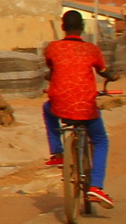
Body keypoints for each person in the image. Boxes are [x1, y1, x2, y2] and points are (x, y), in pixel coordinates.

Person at [44, 10, 114, 207]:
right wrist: (113, 77)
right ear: (82, 27)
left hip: (59, 104)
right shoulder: (91, 50)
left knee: (46, 109)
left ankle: (57, 152)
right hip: (86, 108)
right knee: (100, 141)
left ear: (62, 26)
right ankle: (96, 187)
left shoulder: (53, 48)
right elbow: (103, 71)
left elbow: (52, 69)